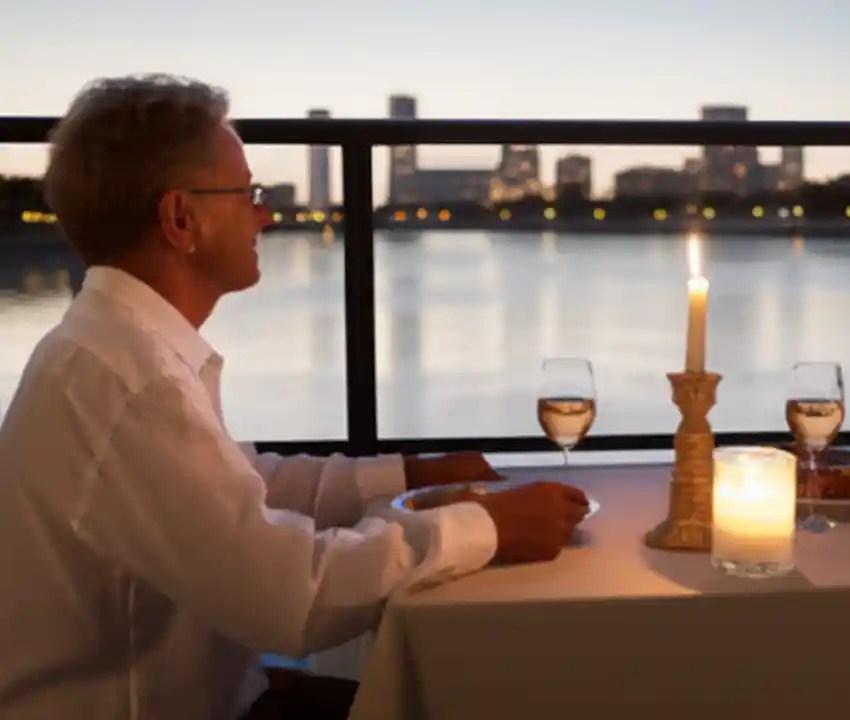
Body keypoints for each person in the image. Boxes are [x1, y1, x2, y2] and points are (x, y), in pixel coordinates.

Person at [0, 74, 590, 720]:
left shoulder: (118, 346)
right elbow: (294, 599)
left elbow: (237, 488)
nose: (266, 214)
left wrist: (409, 474)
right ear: (180, 218)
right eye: (247, 194)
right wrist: (489, 528)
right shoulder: (127, 379)